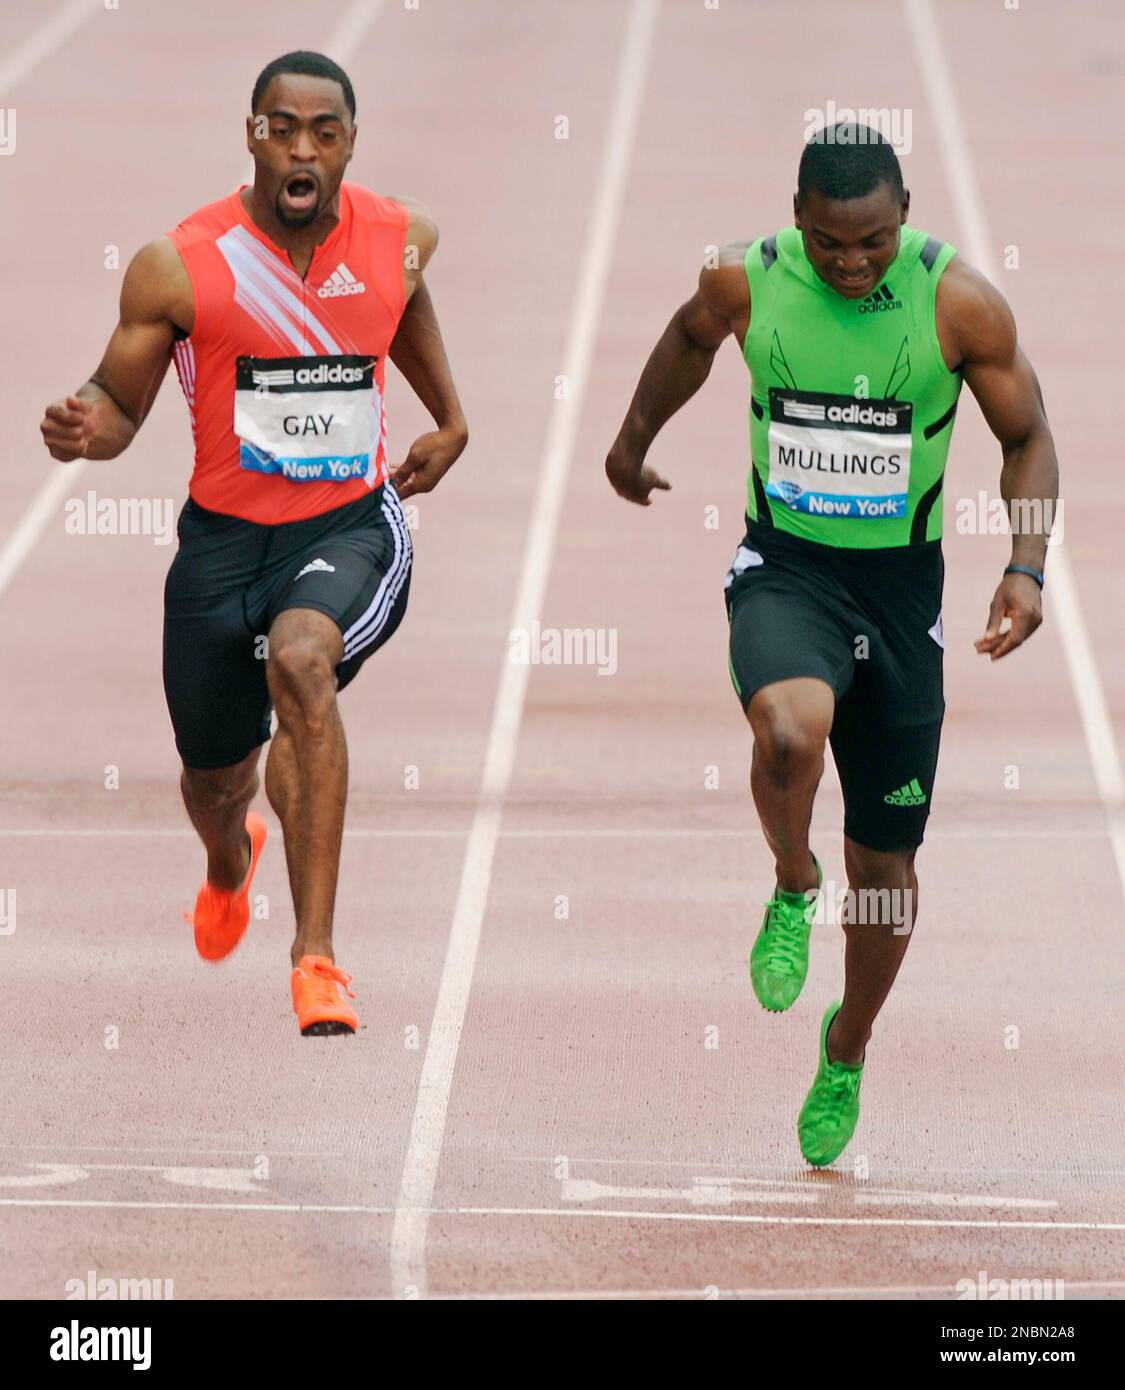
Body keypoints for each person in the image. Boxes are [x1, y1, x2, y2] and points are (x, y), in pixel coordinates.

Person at [605, 124, 1058, 1164]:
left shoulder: (960, 302)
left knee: (888, 865)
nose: (851, 265)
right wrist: (633, 441)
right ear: (796, 219)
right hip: (789, 569)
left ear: (906, 214)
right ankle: (792, 882)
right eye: (829, 244)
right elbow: (686, 337)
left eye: (873, 244)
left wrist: (1025, 566)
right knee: (787, 731)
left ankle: (847, 1043)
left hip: (901, 593)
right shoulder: (746, 278)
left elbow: (1027, 433)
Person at [39, 51, 468, 1035]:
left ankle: (316, 955)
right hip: (221, 551)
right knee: (211, 778)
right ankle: (231, 853)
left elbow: (402, 301)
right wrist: (83, 428)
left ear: (352, 142)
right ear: (252, 136)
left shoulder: (401, 235)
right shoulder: (183, 265)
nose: (303, 147)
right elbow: (117, 402)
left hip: (350, 527)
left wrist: (449, 417)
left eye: (325, 130)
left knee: (304, 663)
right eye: (284, 128)